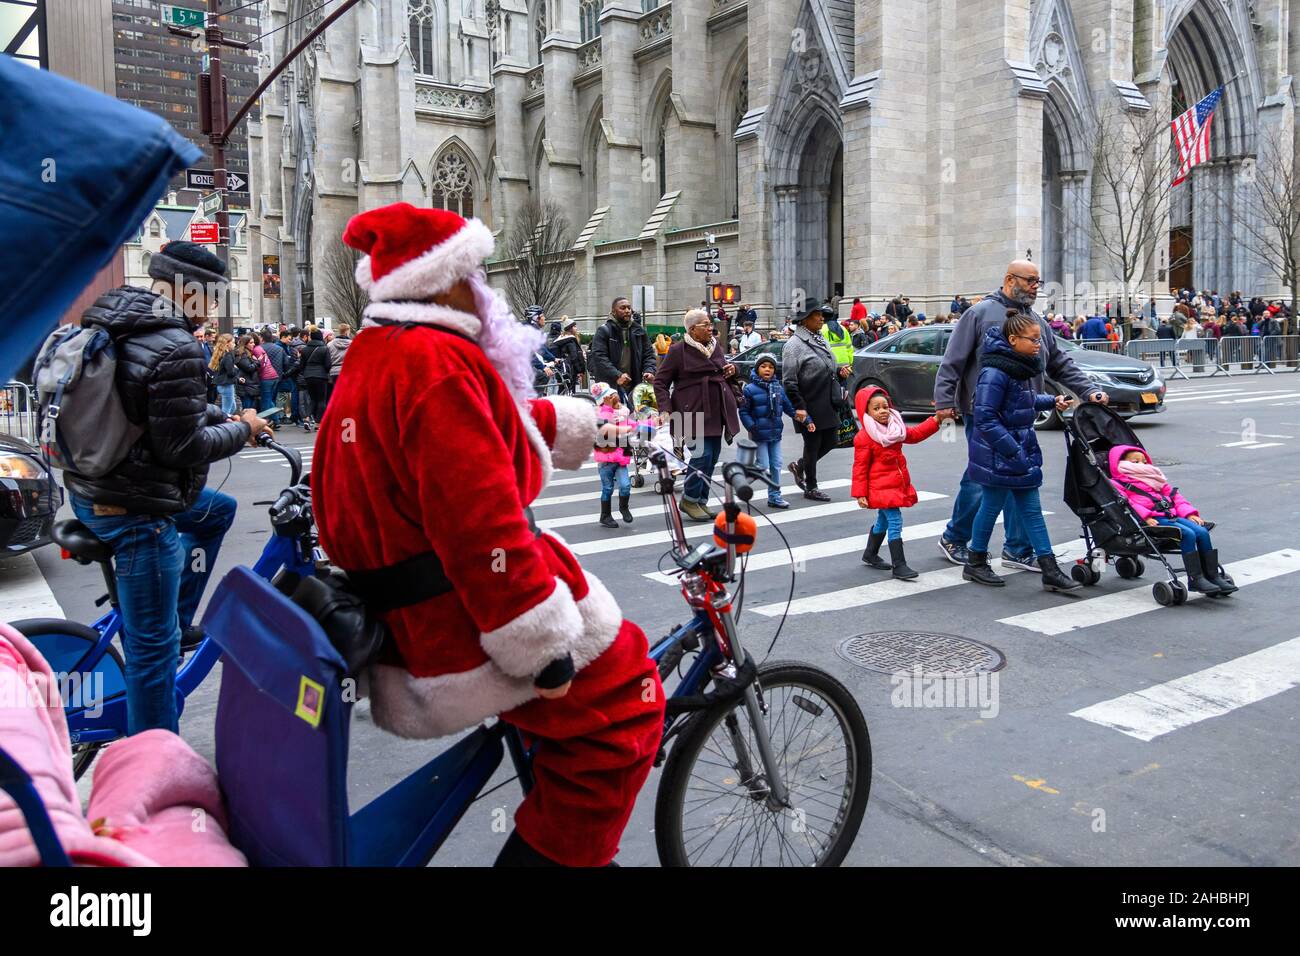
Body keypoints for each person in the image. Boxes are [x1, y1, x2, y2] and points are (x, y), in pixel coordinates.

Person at [313, 202, 664, 867]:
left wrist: (587, 426)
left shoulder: (383, 347)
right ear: (440, 278)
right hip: (454, 618)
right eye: (473, 270)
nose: (483, 286)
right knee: (621, 713)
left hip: (418, 598)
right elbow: (479, 522)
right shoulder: (437, 362)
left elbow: (482, 419)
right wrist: (540, 648)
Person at [63, 241, 268, 734]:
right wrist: (243, 430)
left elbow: (151, 409)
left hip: (93, 487)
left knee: (215, 510)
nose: (215, 309)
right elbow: (182, 446)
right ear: (191, 293)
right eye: (213, 298)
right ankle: (155, 773)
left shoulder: (115, 322)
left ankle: (175, 621)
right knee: (151, 657)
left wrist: (224, 414)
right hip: (133, 510)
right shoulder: (174, 345)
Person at [933, 258, 1106, 570]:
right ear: (1009, 279)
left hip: (1022, 412)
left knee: (1020, 477)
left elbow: (1059, 363)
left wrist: (1087, 389)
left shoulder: (1035, 321)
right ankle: (954, 538)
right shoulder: (980, 313)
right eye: (1030, 281)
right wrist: (944, 401)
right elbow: (953, 361)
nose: (1036, 287)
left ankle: (1017, 549)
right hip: (985, 411)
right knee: (980, 478)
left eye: (1038, 282)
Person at [960, 313, 1081, 593]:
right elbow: (986, 417)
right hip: (1002, 452)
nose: (1039, 344)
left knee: (1030, 510)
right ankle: (976, 561)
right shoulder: (995, 372)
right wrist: (1013, 451)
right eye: (1034, 339)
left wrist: (1052, 400)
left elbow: (1022, 401)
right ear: (1013, 340)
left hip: (1016, 448)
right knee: (991, 507)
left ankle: (1048, 568)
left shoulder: (1019, 366)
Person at [1108, 445, 1236, 595]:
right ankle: (1196, 578)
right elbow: (1129, 504)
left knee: (1202, 532)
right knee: (1187, 534)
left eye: (1144, 461)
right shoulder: (1118, 483)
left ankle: (1212, 575)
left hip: (1171, 515)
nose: (1141, 465)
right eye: (1135, 462)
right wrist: (1145, 517)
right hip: (1151, 520)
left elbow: (1176, 498)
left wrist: (1189, 514)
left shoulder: (1155, 478)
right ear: (1120, 463)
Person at [653, 308, 741, 521]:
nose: (711, 328)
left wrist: (732, 370)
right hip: (689, 412)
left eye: (710, 324)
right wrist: (666, 409)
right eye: (706, 325)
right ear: (692, 330)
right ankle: (689, 500)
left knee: (711, 458)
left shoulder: (715, 347)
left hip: (716, 411)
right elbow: (660, 382)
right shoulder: (677, 351)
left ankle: (701, 500)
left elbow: (723, 369)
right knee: (701, 457)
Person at [852, 386, 947, 580]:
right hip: (879, 488)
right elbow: (859, 468)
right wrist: (860, 494)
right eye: (876, 408)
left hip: (895, 484)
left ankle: (870, 554)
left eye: (885, 406)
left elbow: (915, 435)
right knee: (895, 520)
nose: (882, 411)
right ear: (866, 412)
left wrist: (936, 420)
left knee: (883, 520)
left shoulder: (895, 429)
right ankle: (899, 565)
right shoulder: (865, 437)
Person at [783, 298, 852, 501]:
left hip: (826, 399)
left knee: (831, 440)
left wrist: (839, 372)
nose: (822, 318)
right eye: (817, 315)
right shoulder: (793, 345)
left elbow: (826, 366)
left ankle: (800, 466)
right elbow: (788, 381)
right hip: (808, 401)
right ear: (805, 320)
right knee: (812, 445)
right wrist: (800, 407)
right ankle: (811, 486)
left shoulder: (820, 338)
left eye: (822, 315)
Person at [740, 355, 796, 509]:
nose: (767, 369)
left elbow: (788, 407)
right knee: (762, 465)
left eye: (771, 367)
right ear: (757, 368)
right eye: (764, 366)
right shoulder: (750, 389)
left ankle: (774, 497)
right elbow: (744, 412)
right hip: (759, 434)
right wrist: (752, 426)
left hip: (775, 434)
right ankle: (740, 481)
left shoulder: (777, 388)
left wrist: (806, 420)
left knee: (776, 464)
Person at [588, 296, 657, 403]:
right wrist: (617, 375)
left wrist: (649, 370)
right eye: (623, 308)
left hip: (634, 384)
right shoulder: (604, 330)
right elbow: (600, 357)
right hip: (610, 386)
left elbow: (648, 354)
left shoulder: (639, 330)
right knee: (614, 418)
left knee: (634, 418)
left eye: (629, 308)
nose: (627, 311)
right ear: (613, 311)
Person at [591, 381, 633, 528]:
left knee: (625, 485)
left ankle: (623, 507)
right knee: (607, 488)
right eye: (611, 396)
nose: (616, 398)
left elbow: (633, 426)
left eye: (615, 395)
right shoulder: (600, 415)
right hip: (605, 460)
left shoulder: (622, 414)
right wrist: (608, 407)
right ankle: (605, 515)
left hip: (620, 458)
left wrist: (651, 424)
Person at [298, 327, 331, 431]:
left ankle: (307, 418)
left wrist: (306, 372)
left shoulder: (304, 349)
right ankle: (318, 423)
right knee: (321, 400)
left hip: (308, 376)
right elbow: (328, 365)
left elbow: (301, 365)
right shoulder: (324, 349)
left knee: (312, 399)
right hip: (321, 376)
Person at [550, 317, 587, 392]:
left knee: (562, 389)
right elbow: (574, 356)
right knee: (570, 391)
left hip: (561, 368)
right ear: (570, 328)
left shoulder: (560, 339)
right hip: (570, 369)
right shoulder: (571, 341)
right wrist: (580, 370)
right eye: (574, 326)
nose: (576, 328)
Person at [209, 332, 239, 415]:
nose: (235, 344)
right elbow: (231, 372)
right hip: (226, 385)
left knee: (232, 407)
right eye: (233, 342)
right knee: (227, 409)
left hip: (223, 384)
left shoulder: (221, 354)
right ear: (227, 344)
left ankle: (225, 423)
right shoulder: (227, 355)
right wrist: (236, 369)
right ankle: (223, 425)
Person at [233, 333, 261, 412]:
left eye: (253, 342)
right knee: (247, 409)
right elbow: (249, 368)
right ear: (245, 344)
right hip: (246, 385)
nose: (254, 344)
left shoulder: (247, 353)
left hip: (249, 385)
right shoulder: (242, 354)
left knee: (249, 408)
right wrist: (258, 362)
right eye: (251, 343)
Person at [326, 322, 352, 401]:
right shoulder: (353, 344)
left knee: (335, 396)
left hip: (333, 372)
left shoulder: (330, 344)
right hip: (347, 372)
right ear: (347, 331)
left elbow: (327, 360)